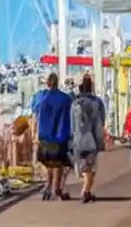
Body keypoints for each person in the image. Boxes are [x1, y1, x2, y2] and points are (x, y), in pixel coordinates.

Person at [34, 72, 73, 200]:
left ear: (47, 83)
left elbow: (36, 115)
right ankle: (56, 188)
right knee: (58, 164)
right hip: (59, 136)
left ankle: (48, 185)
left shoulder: (41, 98)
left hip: (45, 136)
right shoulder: (65, 99)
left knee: (49, 163)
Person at [71, 74, 106, 203]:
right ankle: (85, 191)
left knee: (84, 168)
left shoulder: (75, 103)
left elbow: (72, 124)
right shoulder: (97, 102)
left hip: (78, 139)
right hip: (93, 140)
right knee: (91, 167)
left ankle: (87, 190)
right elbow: (102, 120)